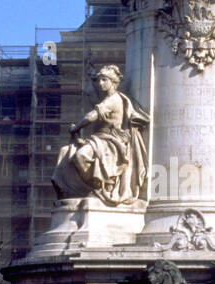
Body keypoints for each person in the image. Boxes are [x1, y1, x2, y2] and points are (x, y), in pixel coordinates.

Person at [50, 65, 149, 206]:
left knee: (81, 156)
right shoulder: (106, 98)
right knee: (64, 152)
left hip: (111, 141)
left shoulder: (113, 99)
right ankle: (80, 189)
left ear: (113, 82)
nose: (100, 83)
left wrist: (75, 127)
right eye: (99, 80)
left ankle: (100, 188)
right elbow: (92, 96)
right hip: (99, 139)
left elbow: (92, 116)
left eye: (104, 80)